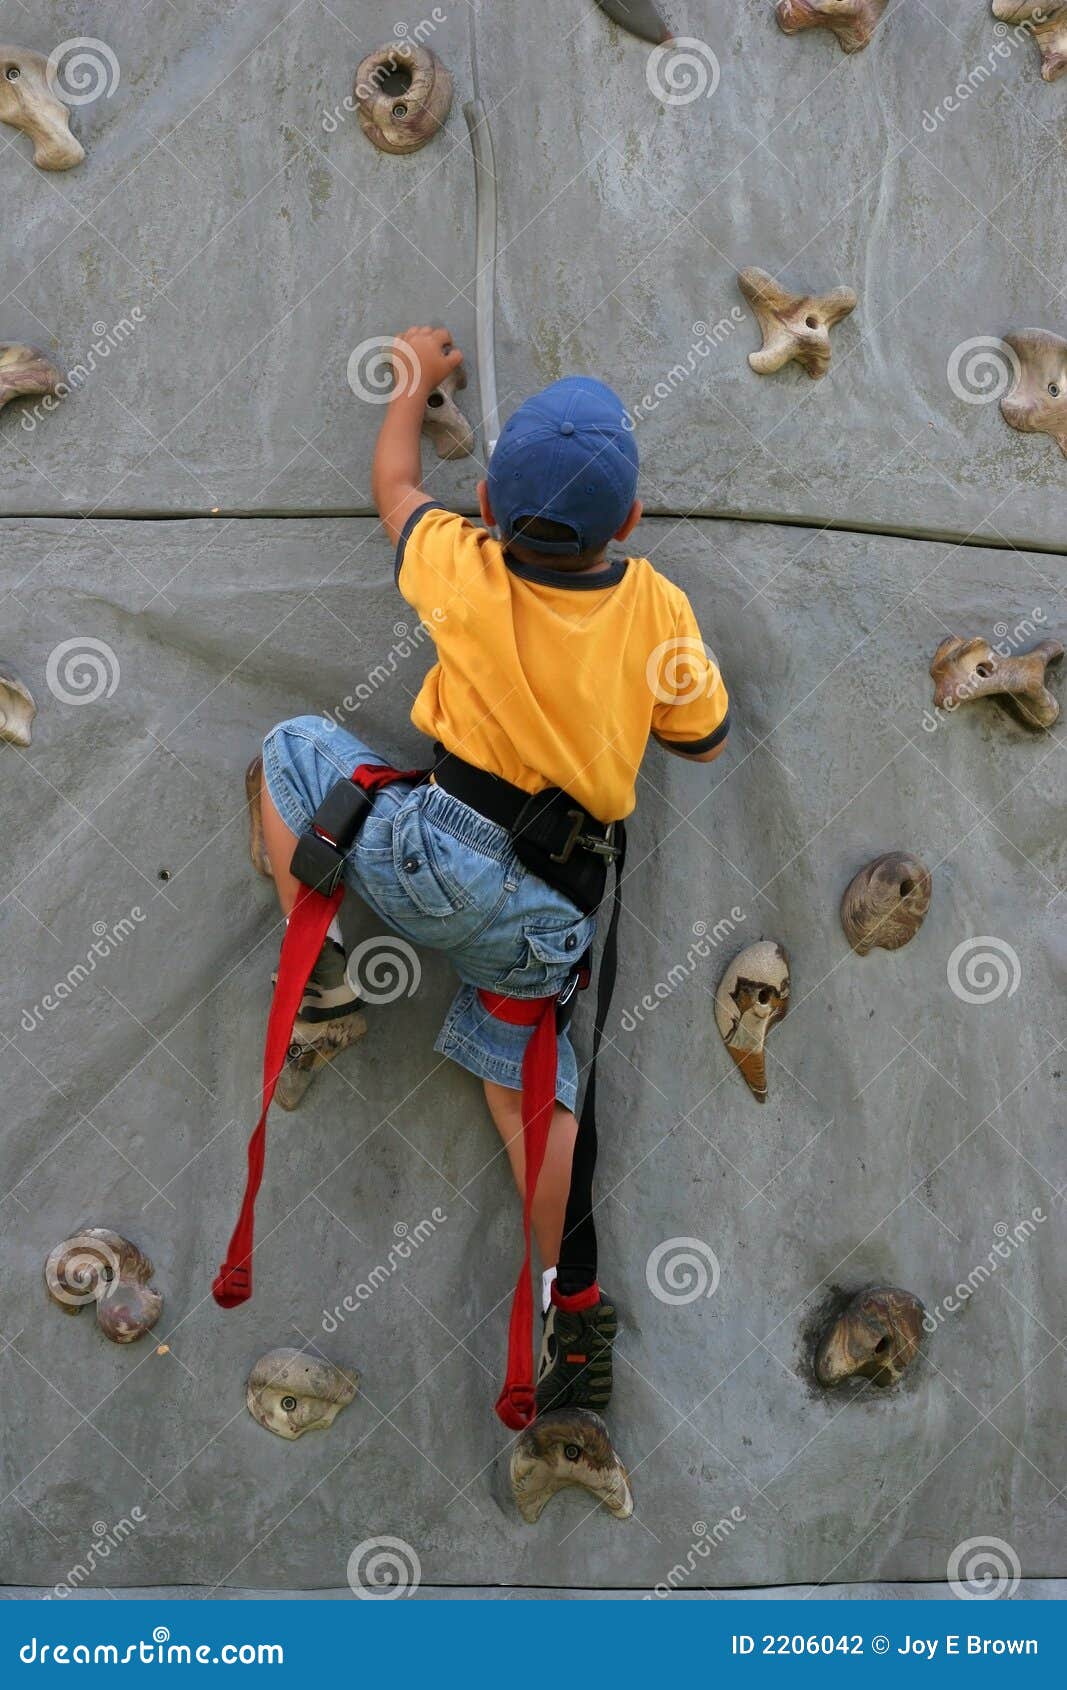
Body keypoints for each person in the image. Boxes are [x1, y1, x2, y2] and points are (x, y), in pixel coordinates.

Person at [255, 325, 730, 1419]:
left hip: (429, 853)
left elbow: (392, 488)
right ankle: (571, 1292)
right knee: (524, 1088)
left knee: (293, 749)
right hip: (541, 918)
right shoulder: (655, 605)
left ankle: (321, 972)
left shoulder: (460, 563)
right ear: (629, 521)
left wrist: (413, 384)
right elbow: (701, 739)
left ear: (483, 506)